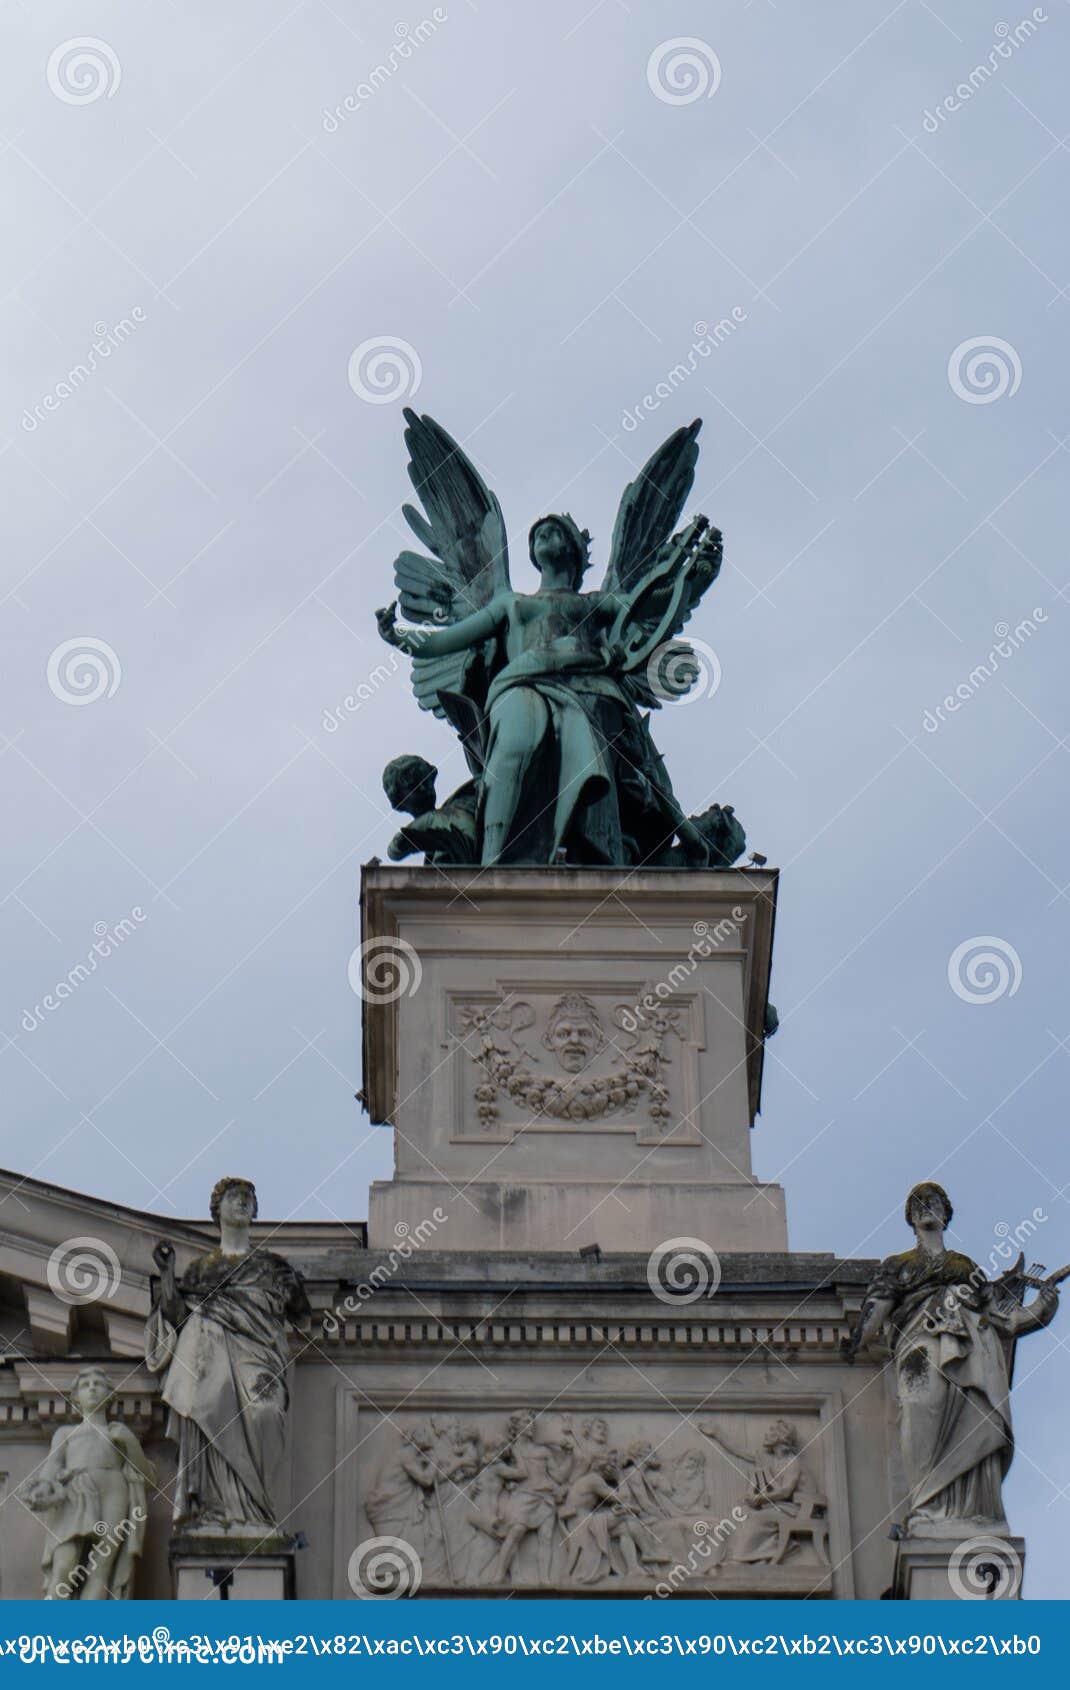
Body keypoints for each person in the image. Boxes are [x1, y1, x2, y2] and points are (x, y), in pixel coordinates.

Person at [848, 1181, 1062, 1536]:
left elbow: (1005, 1321)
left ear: (945, 1213)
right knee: (919, 1410)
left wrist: (1043, 1307)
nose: (925, 1206)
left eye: (933, 1201)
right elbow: (872, 1319)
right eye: (918, 1203)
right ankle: (926, 1504)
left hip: (969, 1352)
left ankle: (965, 1513)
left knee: (974, 1418)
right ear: (910, 1217)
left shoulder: (965, 1267)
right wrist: (855, 1339)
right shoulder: (899, 1265)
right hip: (919, 1347)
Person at [145, 1176, 309, 1535]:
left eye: (249, 1197)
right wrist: (168, 1274)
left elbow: (302, 1312)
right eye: (234, 1196)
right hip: (210, 1354)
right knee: (208, 1412)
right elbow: (178, 1316)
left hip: (259, 1355)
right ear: (217, 1210)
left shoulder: (273, 1268)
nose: (243, 1202)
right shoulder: (201, 1270)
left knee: (266, 1414)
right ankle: (218, 1511)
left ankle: (258, 1509)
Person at [22, 1367, 153, 1598]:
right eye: (85, 1385)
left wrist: (130, 1443)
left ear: (109, 1395)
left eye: (98, 1384)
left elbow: (147, 1477)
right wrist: (43, 1487)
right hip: (75, 1493)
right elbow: (53, 1464)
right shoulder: (66, 1433)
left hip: (114, 1491)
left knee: (101, 1566)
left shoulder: (118, 1432)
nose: (92, 1388)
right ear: (76, 1398)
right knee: (65, 1564)